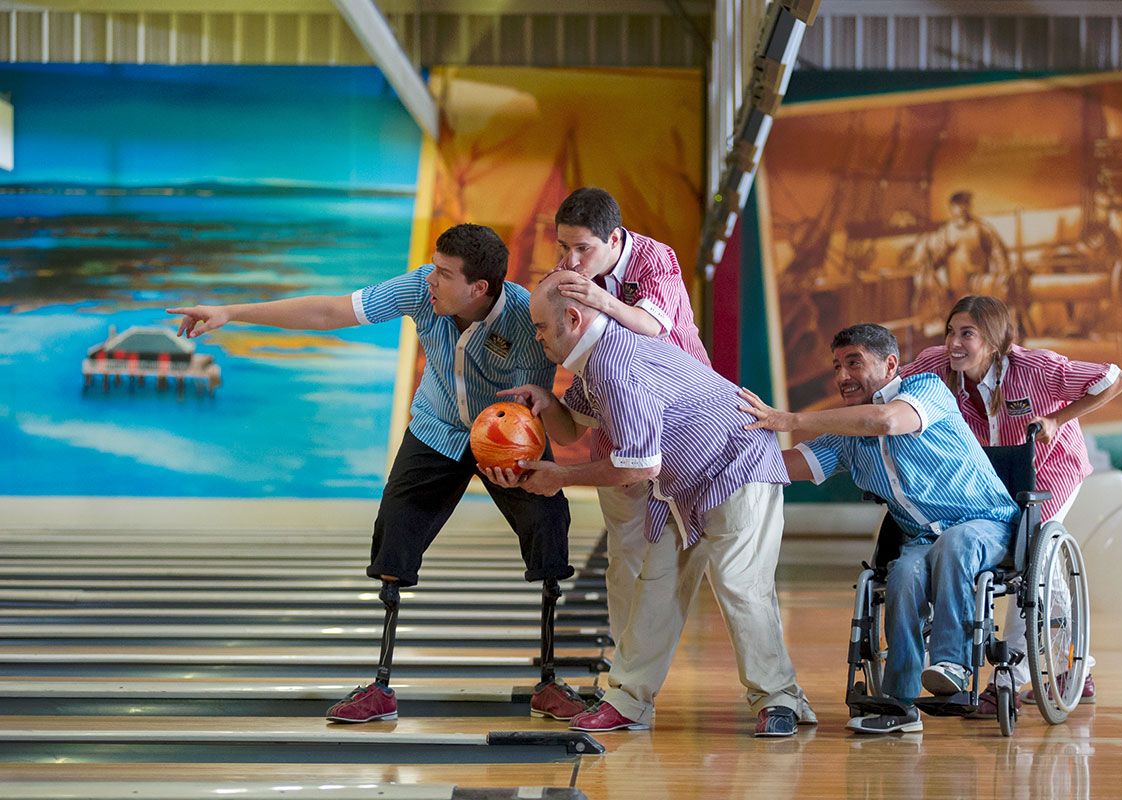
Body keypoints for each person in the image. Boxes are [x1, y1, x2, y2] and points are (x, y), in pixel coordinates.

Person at [167, 223, 586, 723]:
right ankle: (381, 686)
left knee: (548, 528)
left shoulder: (526, 317)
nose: (430, 279)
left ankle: (549, 682)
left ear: (479, 287)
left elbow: (544, 401)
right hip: (436, 430)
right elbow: (331, 311)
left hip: (506, 434)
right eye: (433, 268)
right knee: (393, 542)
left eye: (444, 273)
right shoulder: (421, 289)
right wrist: (231, 313)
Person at [483, 270, 816, 737]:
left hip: (738, 466)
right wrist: (545, 401)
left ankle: (779, 698)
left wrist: (562, 479)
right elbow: (571, 428)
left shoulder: (614, 365)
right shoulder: (593, 361)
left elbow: (638, 465)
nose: (537, 337)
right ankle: (629, 701)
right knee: (656, 584)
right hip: (683, 485)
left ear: (573, 319)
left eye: (540, 327)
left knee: (739, 585)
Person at [738, 323, 1018, 735]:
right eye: (836, 366)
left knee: (956, 542)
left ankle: (953, 664)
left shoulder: (926, 389)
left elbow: (886, 420)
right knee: (903, 574)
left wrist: (791, 419)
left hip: (987, 523)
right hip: (925, 538)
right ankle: (899, 702)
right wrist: (717, 459)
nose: (842, 376)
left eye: (854, 363)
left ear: (889, 365)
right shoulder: (847, 437)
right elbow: (784, 465)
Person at [901, 294, 1122, 713]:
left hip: (1050, 467)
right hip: (990, 478)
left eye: (967, 334)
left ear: (993, 342)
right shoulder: (938, 366)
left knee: (1031, 555)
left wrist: (1058, 419)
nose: (954, 342)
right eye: (950, 331)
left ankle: (1011, 675)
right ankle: (1076, 666)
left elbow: (1115, 380)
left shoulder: (1035, 368)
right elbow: (889, 386)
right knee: (1016, 559)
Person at [551, 187, 710, 648]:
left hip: (683, 425)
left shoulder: (655, 259)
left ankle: (653, 660)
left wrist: (597, 300)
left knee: (683, 552)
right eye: (563, 247)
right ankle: (626, 665)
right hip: (616, 423)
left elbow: (651, 325)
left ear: (615, 239)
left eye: (583, 249)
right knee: (624, 557)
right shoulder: (568, 272)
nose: (571, 261)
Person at [910, 190, 1011, 309]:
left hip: (978, 284)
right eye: (958, 205)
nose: (962, 208)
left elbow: (997, 250)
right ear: (951, 208)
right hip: (956, 288)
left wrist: (1003, 274)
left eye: (965, 204)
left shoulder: (981, 228)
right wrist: (928, 263)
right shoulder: (946, 231)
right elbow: (936, 259)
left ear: (969, 206)